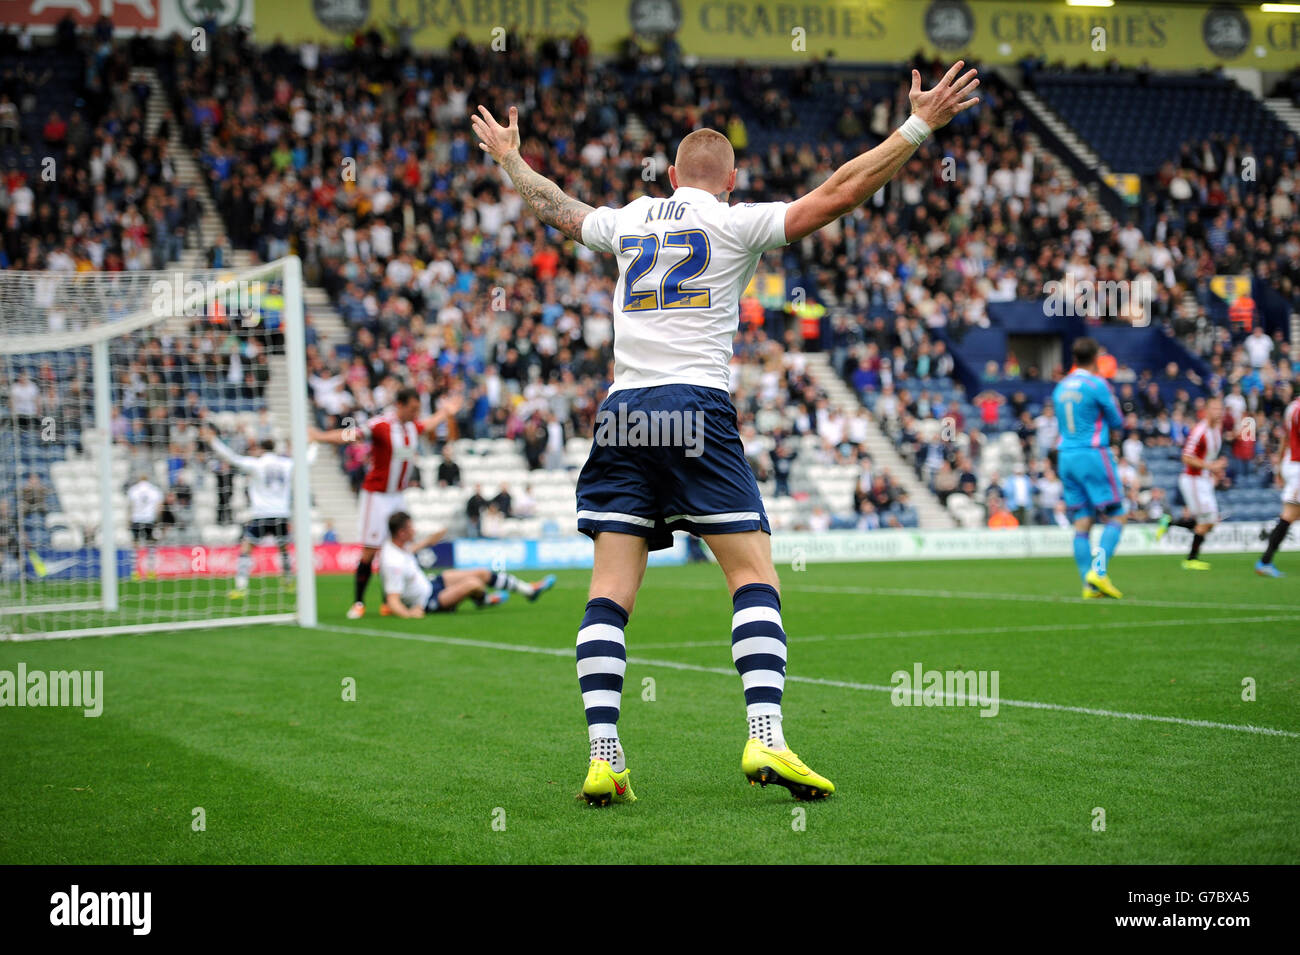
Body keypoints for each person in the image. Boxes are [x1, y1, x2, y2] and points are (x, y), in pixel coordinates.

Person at [472, 59, 979, 804]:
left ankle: (604, 754)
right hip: (696, 408)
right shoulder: (738, 222)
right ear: (730, 181)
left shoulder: (630, 218)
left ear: (672, 175)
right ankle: (764, 735)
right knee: (752, 575)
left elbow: (558, 208)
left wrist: (511, 157)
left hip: (624, 411)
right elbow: (839, 192)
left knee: (609, 593)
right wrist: (919, 126)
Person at [310, 386, 460, 618]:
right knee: (370, 550)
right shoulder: (381, 425)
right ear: (399, 405)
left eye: (418, 409)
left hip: (398, 496)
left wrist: (445, 412)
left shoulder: (412, 426)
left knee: (399, 548)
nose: (415, 413)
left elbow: (428, 425)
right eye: (412, 409)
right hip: (376, 496)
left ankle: (389, 602)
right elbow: (351, 435)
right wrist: (320, 437)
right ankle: (359, 603)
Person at [203, 424, 315, 599]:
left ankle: (241, 586)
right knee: (284, 549)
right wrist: (316, 443)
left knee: (246, 549)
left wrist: (213, 441)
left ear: (261, 449)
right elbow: (308, 461)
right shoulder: (287, 463)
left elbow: (231, 458)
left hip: (261, 515)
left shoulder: (256, 464)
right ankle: (288, 581)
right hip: (281, 515)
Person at [1052, 337, 1126, 599]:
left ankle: (1088, 584)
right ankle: (1100, 570)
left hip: (1065, 456)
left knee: (1083, 520)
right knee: (1118, 514)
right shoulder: (1097, 384)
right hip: (1092, 453)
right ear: (1096, 358)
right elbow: (1117, 421)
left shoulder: (1060, 388)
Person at [378, 511, 554, 617]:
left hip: (430, 584)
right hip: (427, 601)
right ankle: (485, 599)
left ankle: (529, 591)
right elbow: (392, 599)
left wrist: (432, 538)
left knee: (482, 573)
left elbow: (413, 549)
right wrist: (409, 614)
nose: (414, 530)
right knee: (474, 584)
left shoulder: (398, 546)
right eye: (411, 528)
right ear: (401, 533)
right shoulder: (393, 562)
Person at [1158, 396, 1226, 570]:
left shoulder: (1217, 430)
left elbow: (1209, 455)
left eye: (1221, 408)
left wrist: (1216, 467)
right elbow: (1186, 457)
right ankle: (1190, 559)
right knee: (1207, 520)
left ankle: (1170, 523)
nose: (1219, 412)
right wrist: (1211, 466)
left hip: (1204, 479)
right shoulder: (1199, 431)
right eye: (1215, 408)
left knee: (1208, 522)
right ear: (1207, 410)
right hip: (1193, 479)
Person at [1255, 386, 1299, 577]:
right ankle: (1264, 561)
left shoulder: (1292, 408)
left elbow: (1285, 440)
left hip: (1292, 463)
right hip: (1298, 465)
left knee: (1289, 515)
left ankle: (1265, 561)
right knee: (1288, 515)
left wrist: (1280, 467)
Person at [127, 473, 163, 580]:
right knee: (150, 545)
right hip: (149, 519)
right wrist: (157, 520)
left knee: (135, 545)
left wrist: (128, 520)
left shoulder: (133, 490)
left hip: (136, 519)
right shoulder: (155, 490)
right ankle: (151, 571)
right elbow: (159, 507)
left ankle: (135, 572)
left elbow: (130, 506)